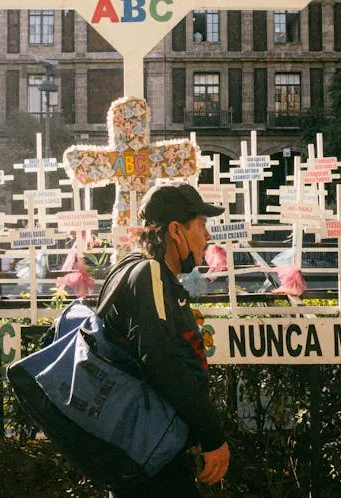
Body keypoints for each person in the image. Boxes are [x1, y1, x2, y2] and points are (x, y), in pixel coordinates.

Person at [98, 183, 230, 497]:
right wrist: (211, 434)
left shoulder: (125, 270)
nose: (207, 236)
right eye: (201, 225)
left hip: (137, 448)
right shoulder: (150, 274)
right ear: (176, 231)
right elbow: (160, 360)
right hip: (153, 454)